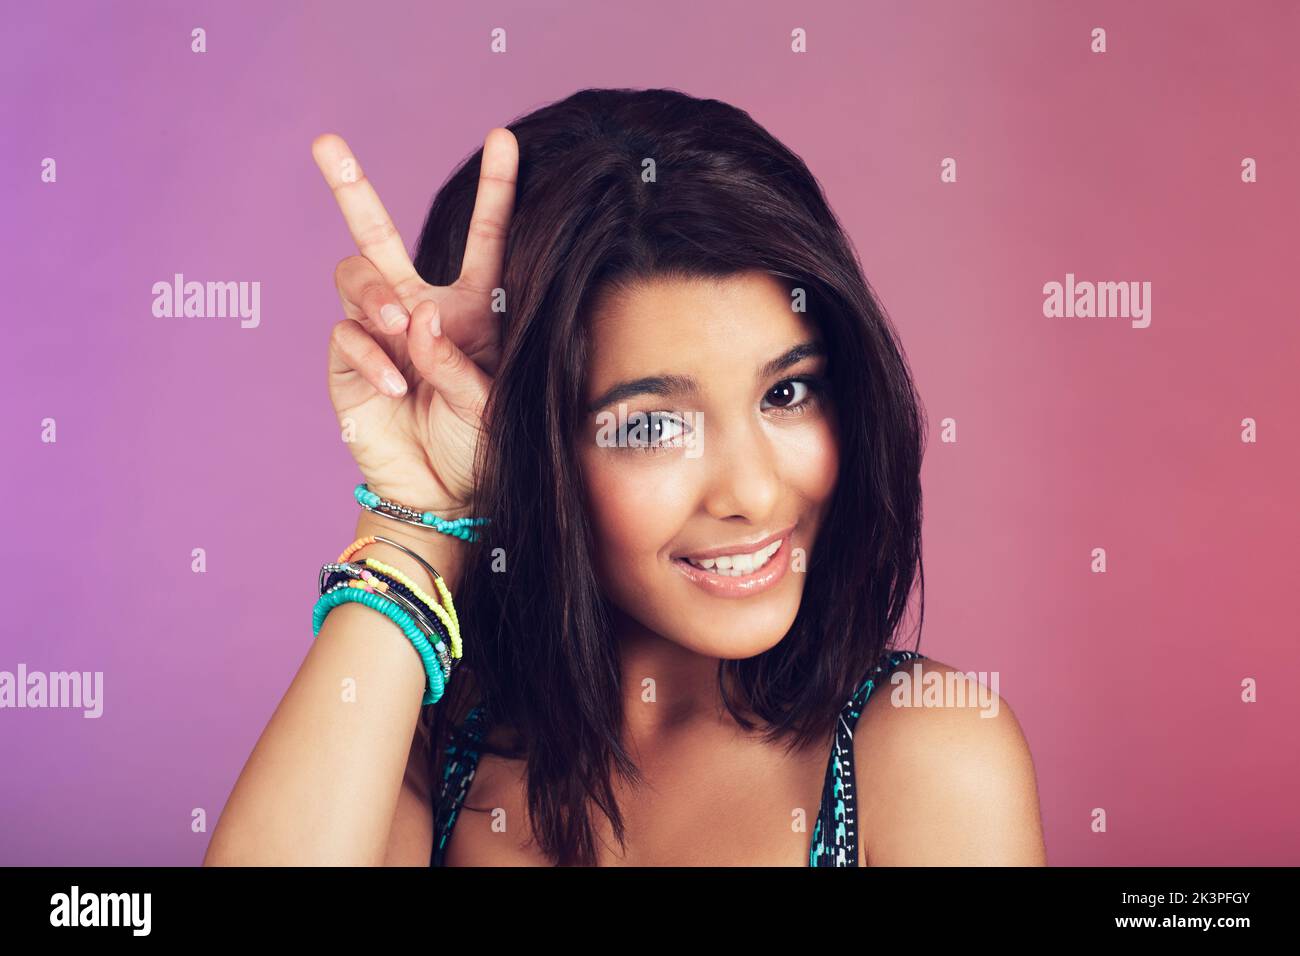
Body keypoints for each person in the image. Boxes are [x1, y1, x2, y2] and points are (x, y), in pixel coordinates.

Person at [204, 88, 1047, 867]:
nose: (751, 493)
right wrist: (415, 517)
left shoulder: (925, 754)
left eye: (786, 392)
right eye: (653, 425)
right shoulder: (421, 759)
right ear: (533, 442)